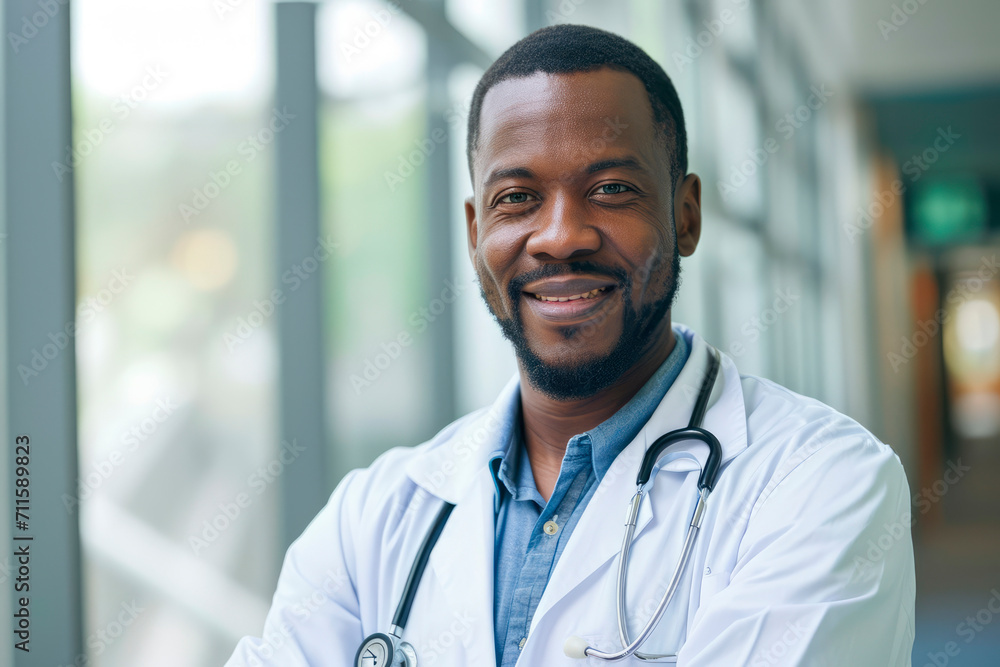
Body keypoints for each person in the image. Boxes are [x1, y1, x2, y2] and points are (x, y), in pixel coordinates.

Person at [226, 24, 915, 666]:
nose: (560, 236)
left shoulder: (823, 484)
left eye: (611, 189)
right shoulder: (370, 518)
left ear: (686, 214)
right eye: (517, 198)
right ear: (474, 234)